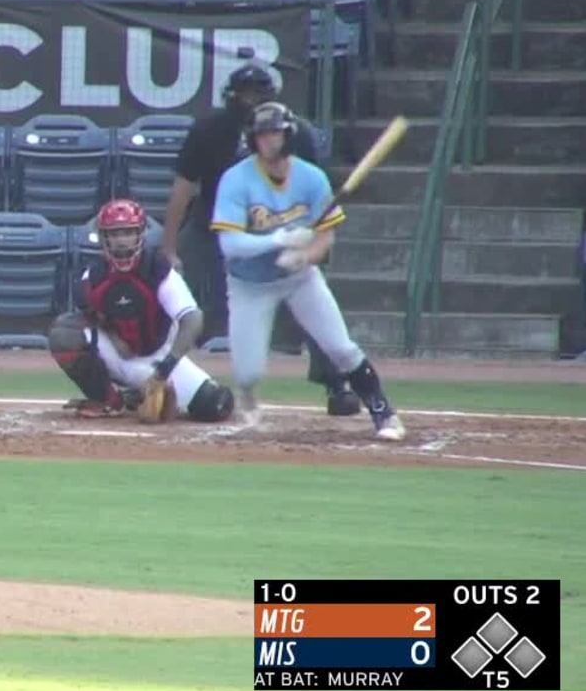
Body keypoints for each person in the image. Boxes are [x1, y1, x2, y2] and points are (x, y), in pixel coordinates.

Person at [162, 61, 363, 418]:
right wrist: (169, 248)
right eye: (246, 94)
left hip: (278, 229)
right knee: (172, 290)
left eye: (258, 94)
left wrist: (313, 246)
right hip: (215, 225)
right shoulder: (210, 129)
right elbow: (183, 187)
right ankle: (158, 373)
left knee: (313, 299)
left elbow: (316, 190)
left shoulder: (296, 132)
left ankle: (335, 382)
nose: (252, 101)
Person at [210, 103, 405, 441]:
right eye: (263, 136)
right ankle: (249, 397)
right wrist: (279, 239)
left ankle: (384, 413)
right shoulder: (236, 179)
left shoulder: (311, 179)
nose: (270, 142)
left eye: (275, 134)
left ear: (288, 135)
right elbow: (230, 245)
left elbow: (325, 238)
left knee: (341, 348)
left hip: (299, 281)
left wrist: (305, 257)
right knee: (248, 371)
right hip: (249, 284)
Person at [48, 198, 237, 422]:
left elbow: (193, 319)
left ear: (140, 234)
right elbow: (91, 318)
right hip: (118, 355)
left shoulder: (159, 272)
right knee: (63, 333)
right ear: (103, 238)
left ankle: (135, 395)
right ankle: (107, 399)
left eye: (127, 233)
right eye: (114, 234)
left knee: (215, 404)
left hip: (160, 358)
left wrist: (164, 371)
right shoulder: (92, 278)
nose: (121, 241)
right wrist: (115, 339)